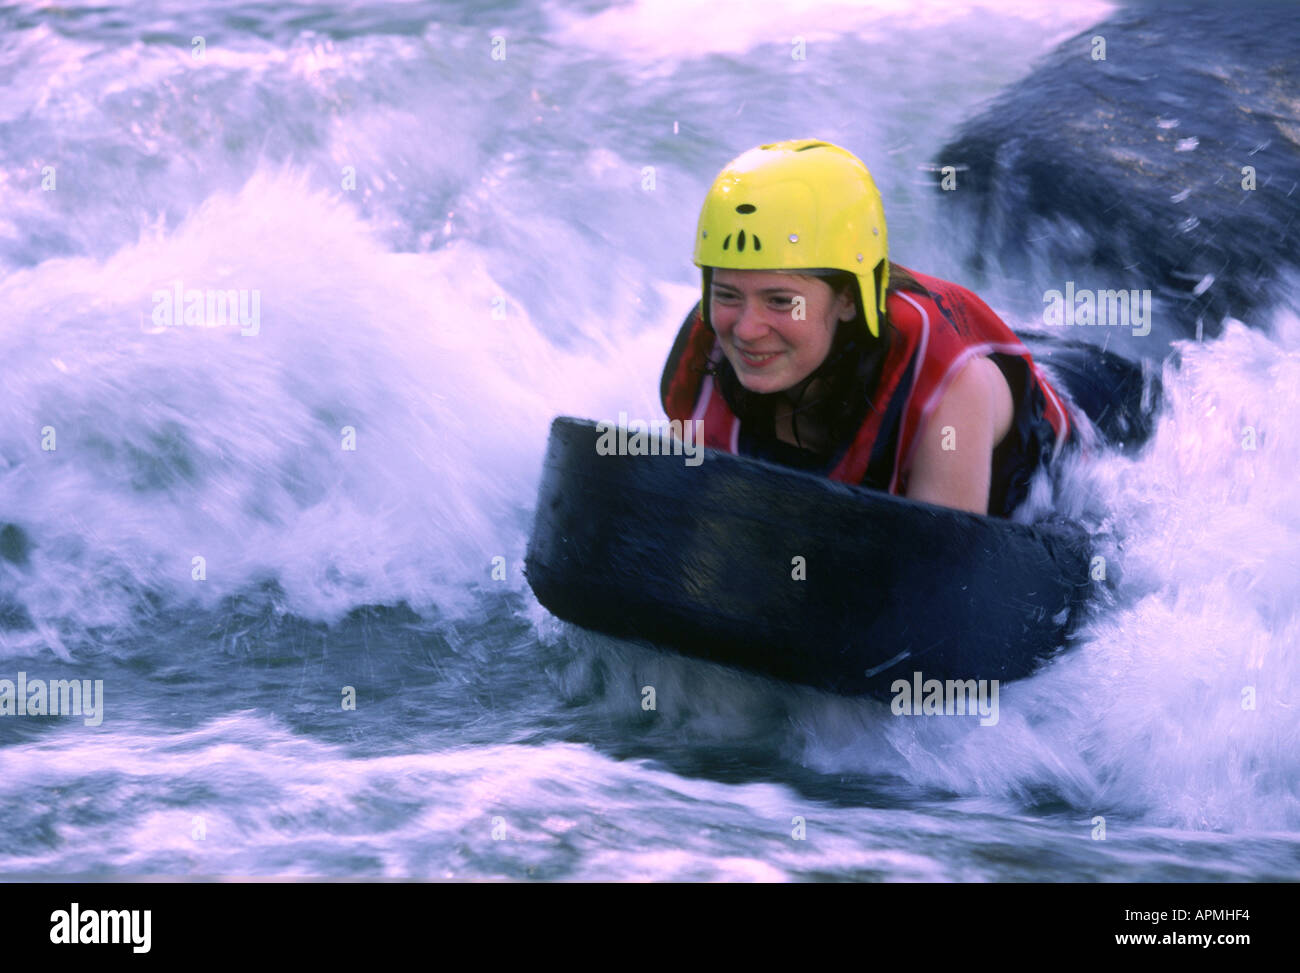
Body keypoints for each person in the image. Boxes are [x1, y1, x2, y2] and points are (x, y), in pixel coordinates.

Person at [660, 139, 1075, 518]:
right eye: (728, 294)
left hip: (1078, 399)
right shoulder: (705, 352)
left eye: (781, 301)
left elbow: (941, 573)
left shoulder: (948, 382)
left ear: (847, 300)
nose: (747, 330)